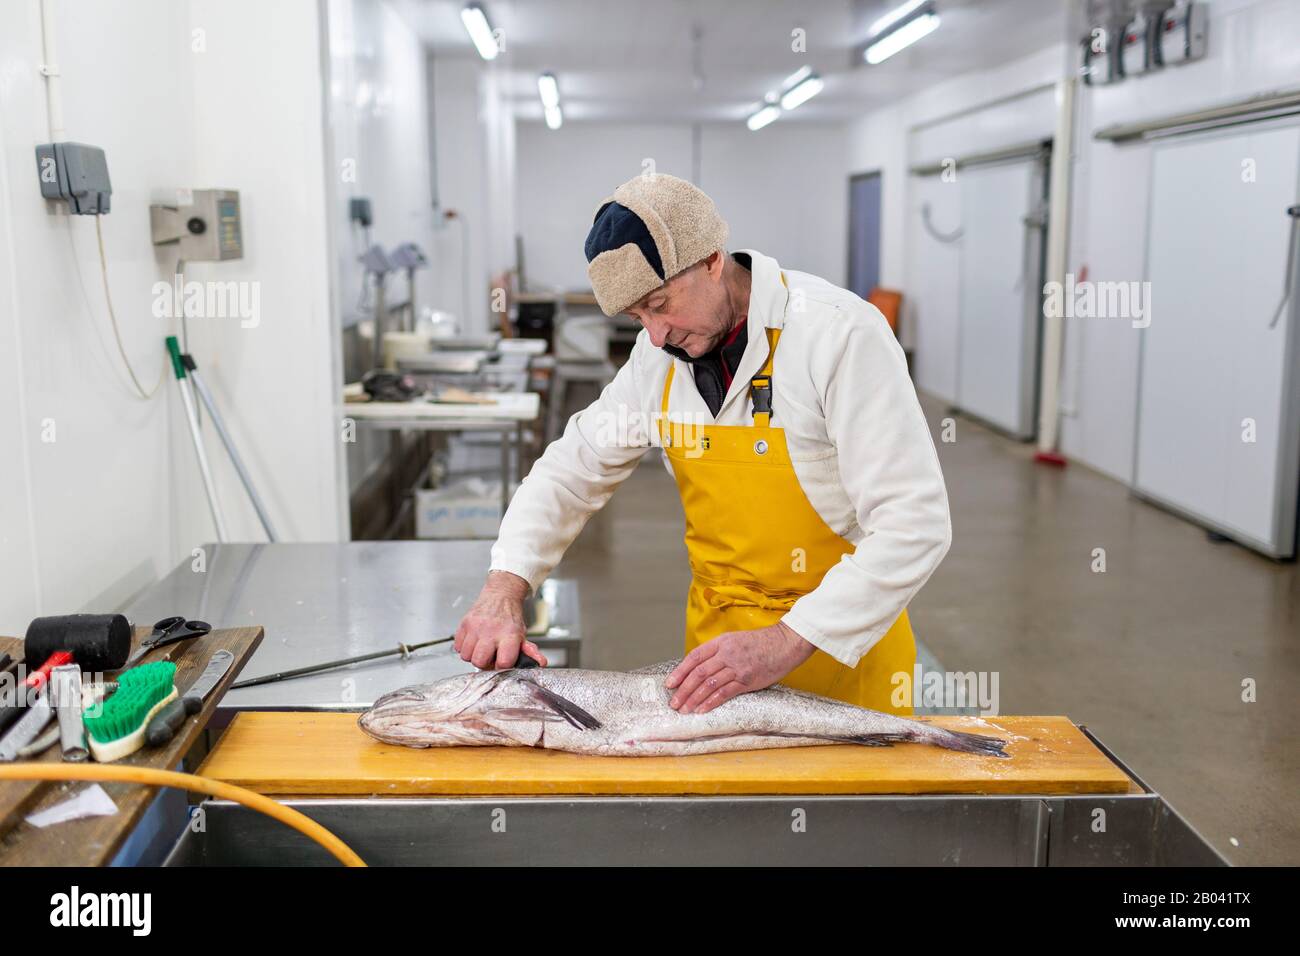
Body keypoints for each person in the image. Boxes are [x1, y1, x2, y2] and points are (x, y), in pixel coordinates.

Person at [453, 172, 950, 716]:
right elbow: (572, 469)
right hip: (717, 665)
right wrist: (504, 588)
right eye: (637, 317)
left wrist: (786, 640)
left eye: (660, 303)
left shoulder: (838, 335)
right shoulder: (656, 360)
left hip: (841, 655)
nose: (657, 335)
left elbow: (914, 522)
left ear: (713, 260)